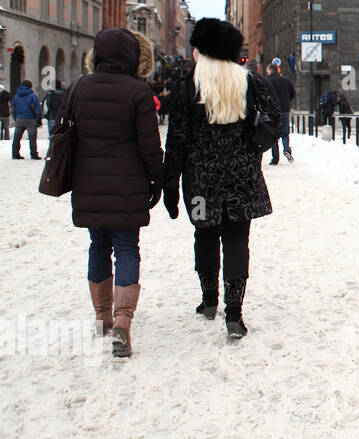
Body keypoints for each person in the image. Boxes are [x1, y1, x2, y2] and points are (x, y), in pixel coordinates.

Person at [163, 19, 279, 339]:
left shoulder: (188, 86)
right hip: (241, 178)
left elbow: (177, 140)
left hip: (200, 181)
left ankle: (209, 301)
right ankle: (234, 314)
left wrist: (170, 183)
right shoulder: (251, 82)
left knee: (204, 235)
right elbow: (275, 120)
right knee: (237, 240)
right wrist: (253, 146)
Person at [66, 29, 165, 359]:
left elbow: (64, 132)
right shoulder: (138, 91)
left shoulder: (80, 86)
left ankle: (101, 317)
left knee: (98, 245)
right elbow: (150, 146)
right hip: (127, 186)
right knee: (126, 247)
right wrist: (157, 181)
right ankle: (122, 323)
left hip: (89, 184)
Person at [265, 58, 295, 164]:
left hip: (273, 111)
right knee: (285, 132)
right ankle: (287, 150)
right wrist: (286, 101)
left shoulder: (268, 81)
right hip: (285, 109)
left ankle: (275, 158)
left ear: (270, 70)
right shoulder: (286, 81)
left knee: (274, 134)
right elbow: (293, 94)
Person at [10, 80, 42, 159]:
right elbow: (38, 109)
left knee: (17, 138)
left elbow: (12, 109)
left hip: (19, 119)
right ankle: (34, 155)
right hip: (31, 120)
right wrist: (39, 119)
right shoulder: (32, 96)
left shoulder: (16, 96)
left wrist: (16, 118)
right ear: (30, 86)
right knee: (32, 139)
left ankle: (15, 154)